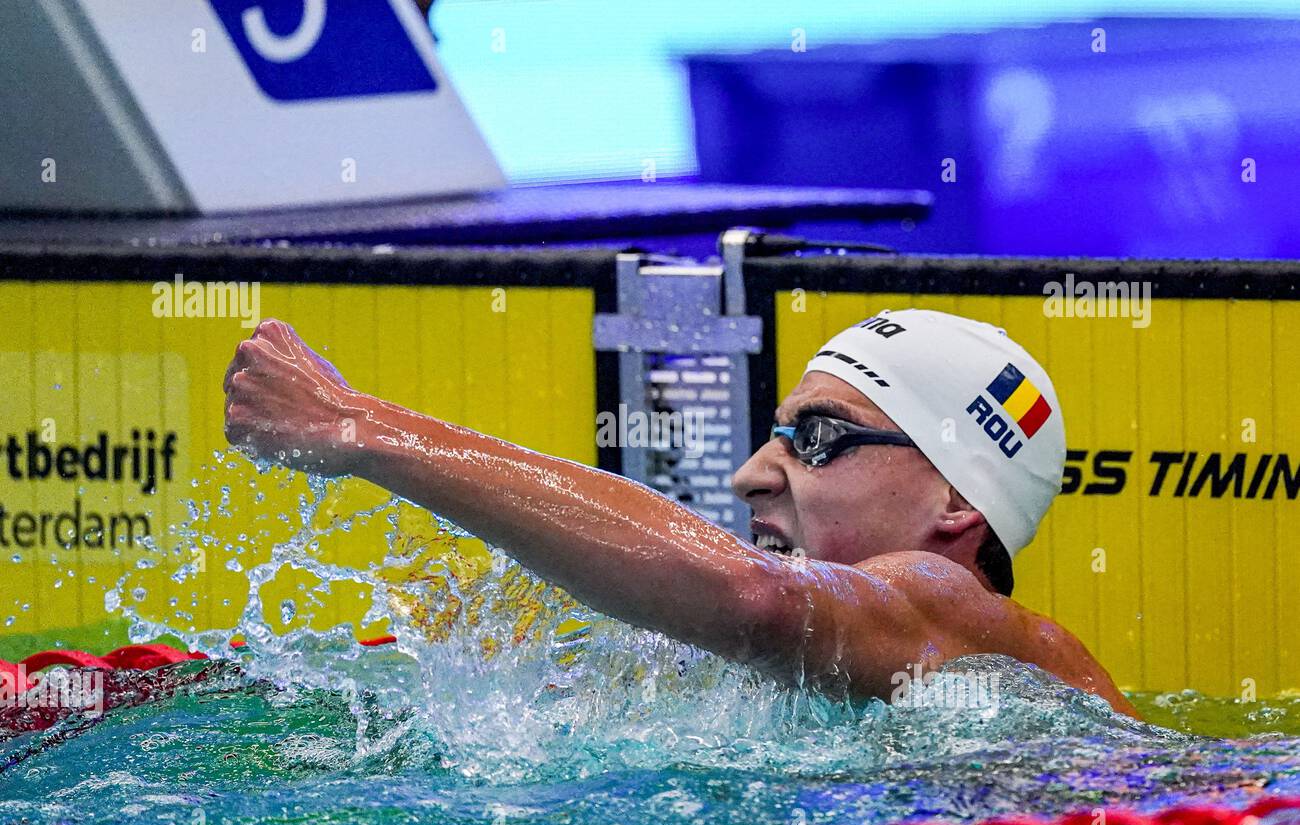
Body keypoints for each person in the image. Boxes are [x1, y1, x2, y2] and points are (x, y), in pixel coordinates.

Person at [223, 310, 1138, 718]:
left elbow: (756, 600)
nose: (751, 475)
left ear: (959, 500)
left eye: (817, 437)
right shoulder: (875, 664)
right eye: (773, 434)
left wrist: (357, 426)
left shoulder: (957, 609)